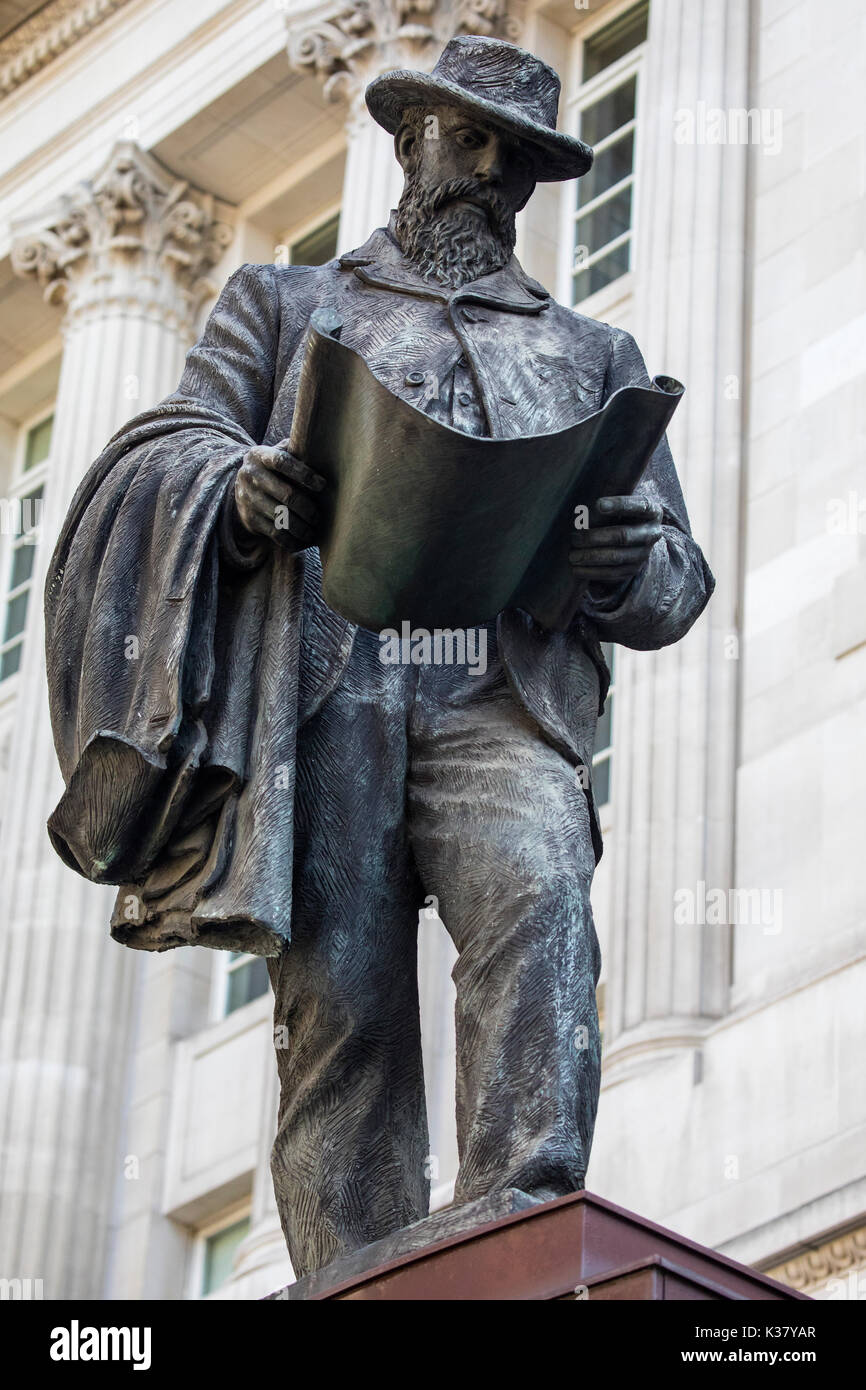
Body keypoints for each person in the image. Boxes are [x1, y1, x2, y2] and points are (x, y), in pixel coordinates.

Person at [45, 36, 714, 1278]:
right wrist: (240, 495)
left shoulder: (586, 353)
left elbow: (674, 586)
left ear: (531, 185)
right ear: (409, 139)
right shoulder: (286, 304)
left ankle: (522, 1222)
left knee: (538, 897)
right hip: (327, 693)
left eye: (512, 156)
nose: (483, 170)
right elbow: (168, 452)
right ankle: (356, 1275)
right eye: (464, 137)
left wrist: (625, 554)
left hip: (495, 696)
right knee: (341, 1008)